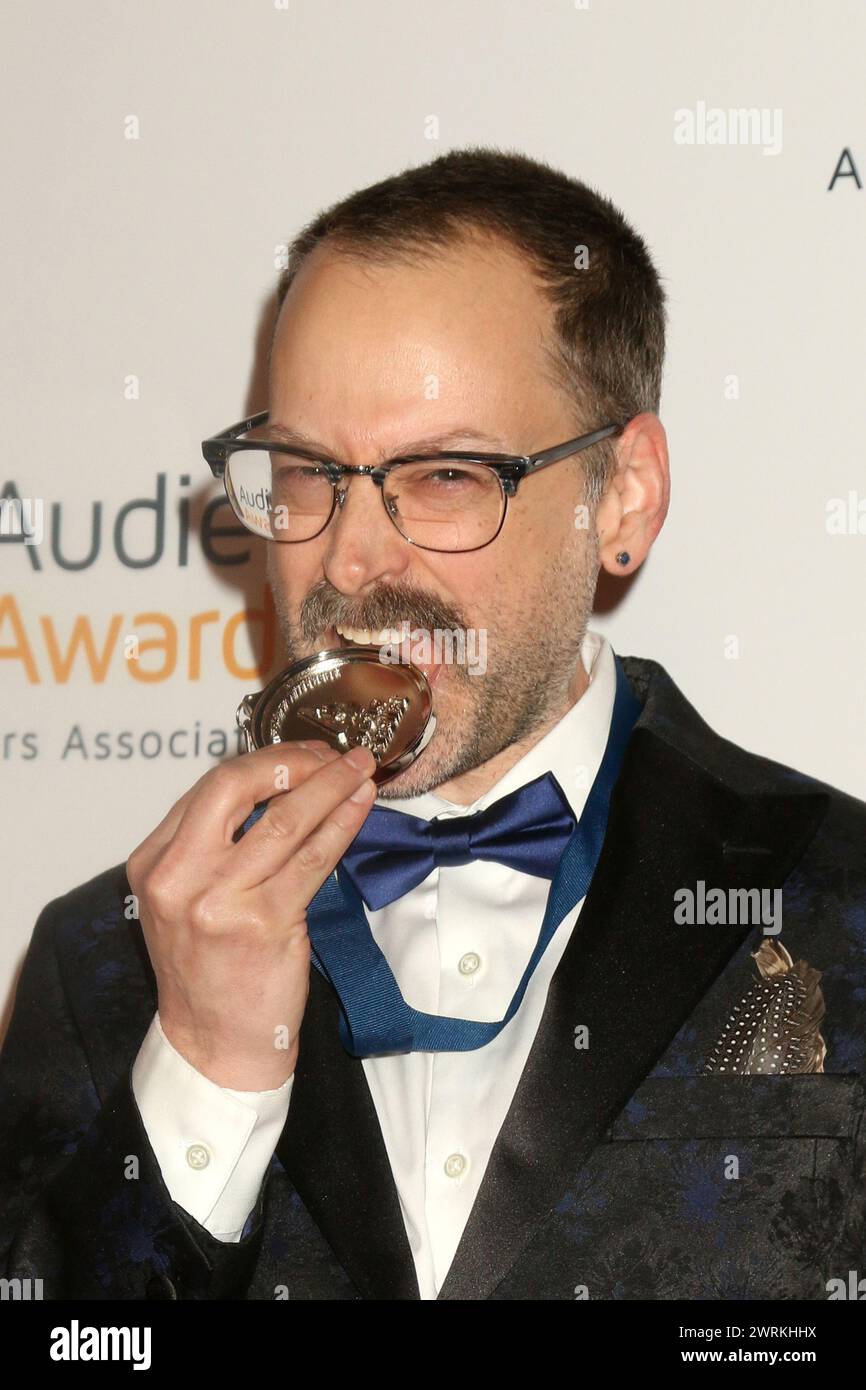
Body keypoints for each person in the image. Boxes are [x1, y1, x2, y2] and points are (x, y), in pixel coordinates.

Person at [2, 147, 864, 1302]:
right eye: (307, 473)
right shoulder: (100, 955)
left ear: (621, 496)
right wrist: (205, 1073)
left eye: (447, 475)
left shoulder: (842, 900)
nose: (349, 558)